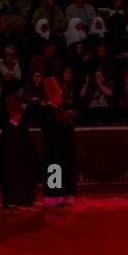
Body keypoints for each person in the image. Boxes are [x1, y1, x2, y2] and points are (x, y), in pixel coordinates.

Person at [39, 77, 77, 206]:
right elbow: (51, 133)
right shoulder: (47, 112)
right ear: (52, 96)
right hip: (54, 150)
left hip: (61, 150)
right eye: (59, 94)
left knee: (58, 173)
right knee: (54, 172)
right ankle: (53, 199)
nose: (61, 97)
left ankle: (59, 197)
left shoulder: (57, 110)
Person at [0, 96, 37, 209]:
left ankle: (23, 200)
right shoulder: (7, 130)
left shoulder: (22, 127)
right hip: (11, 165)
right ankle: (12, 201)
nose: (19, 116)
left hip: (23, 164)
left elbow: (29, 146)